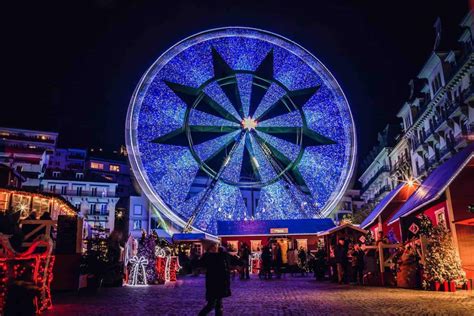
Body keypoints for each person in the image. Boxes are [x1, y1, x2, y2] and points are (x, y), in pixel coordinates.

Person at [198, 244, 232, 316]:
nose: (216, 249)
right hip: (213, 283)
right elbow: (201, 264)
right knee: (212, 304)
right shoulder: (210, 256)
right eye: (214, 247)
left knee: (218, 304)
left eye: (216, 247)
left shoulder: (219, 256)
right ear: (211, 248)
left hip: (219, 283)